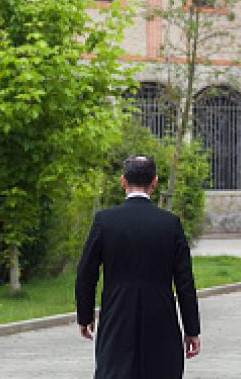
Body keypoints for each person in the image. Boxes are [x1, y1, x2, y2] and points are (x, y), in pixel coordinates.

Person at [75, 156, 201, 379]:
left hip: (117, 316)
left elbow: (86, 273)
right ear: (154, 182)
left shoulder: (105, 221)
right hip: (161, 318)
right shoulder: (170, 224)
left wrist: (85, 316)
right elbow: (185, 282)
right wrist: (191, 330)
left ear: (123, 182)